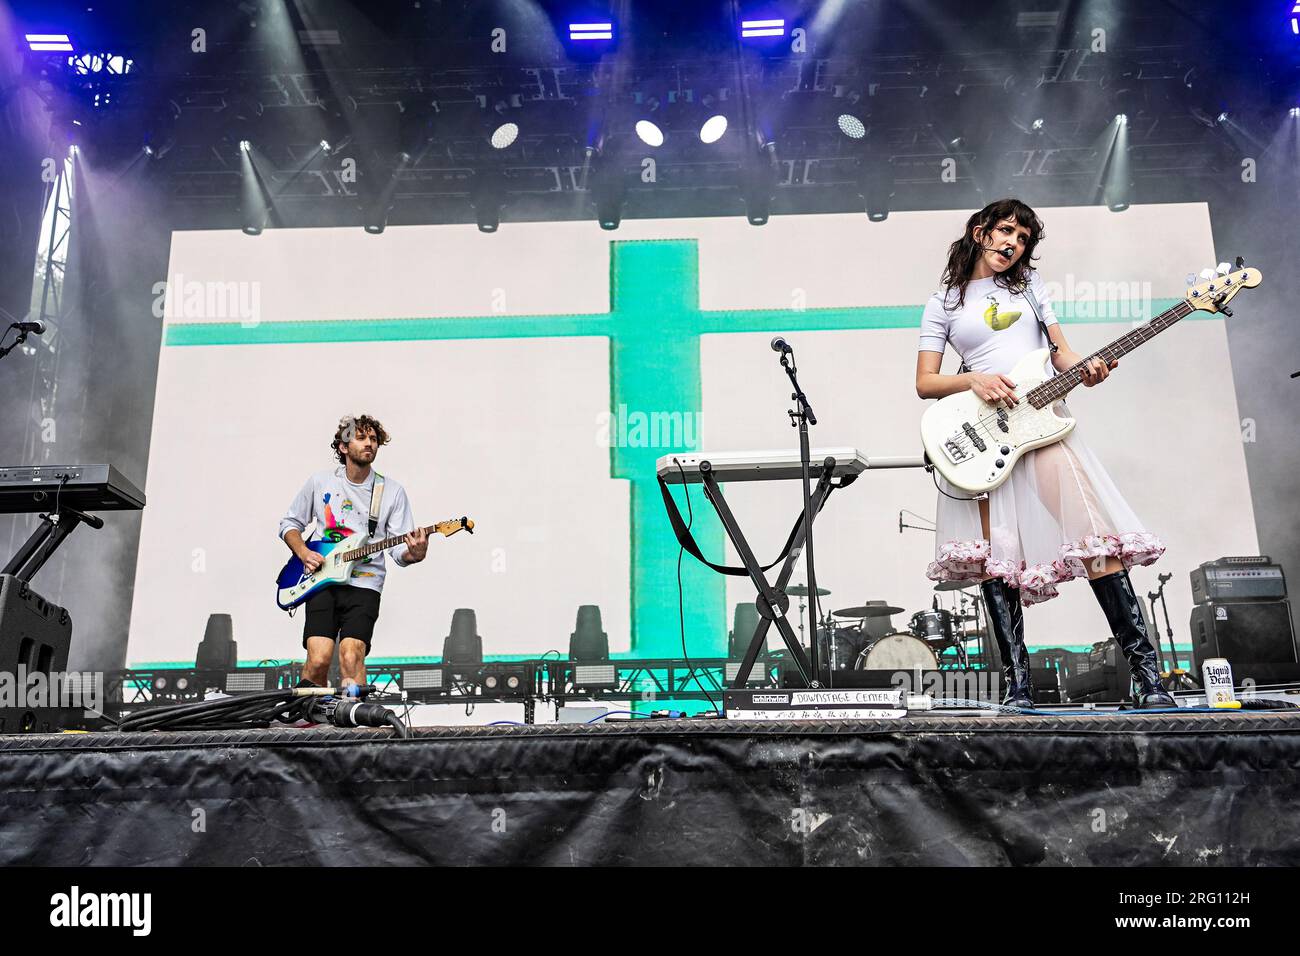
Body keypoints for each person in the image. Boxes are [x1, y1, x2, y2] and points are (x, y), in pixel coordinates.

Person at [915, 198, 1174, 709]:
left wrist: (1089, 366)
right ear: (979, 230)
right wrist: (975, 379)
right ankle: (1019, 690)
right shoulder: (943, 301)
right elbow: (925, 383)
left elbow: (1062, 353)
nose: (1013, 243)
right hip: (983, 436)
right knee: (995, 561)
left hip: (1042, 424)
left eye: (1024, 238)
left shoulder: (1030, 289)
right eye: (1006, 230)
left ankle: (1149, 680)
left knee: (1095, 539)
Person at [279, 414, 428, 690]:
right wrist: (303, 553)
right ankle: (309, 722)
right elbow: (289, 524)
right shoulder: (320, 482)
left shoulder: (391, 492)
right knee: (319, 658)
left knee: (351, 655)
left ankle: (356, 726)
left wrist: (413, 553)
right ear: (343, 447)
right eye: (361, 438)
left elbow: (397, 550)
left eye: (373, 439)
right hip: (322, 579)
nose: (369, 443)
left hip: (366, 582)